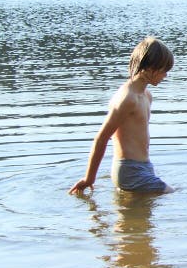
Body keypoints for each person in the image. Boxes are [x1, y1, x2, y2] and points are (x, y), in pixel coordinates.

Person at [69, 37, 175, 195]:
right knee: (171, 193)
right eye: (163, 70)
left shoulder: (146, 95)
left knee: (143, 216)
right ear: (151, 68)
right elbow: (102, 138)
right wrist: (89, 178)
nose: (165, 76)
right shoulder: (127, 98)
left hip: (144, 166)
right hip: (129, 170)